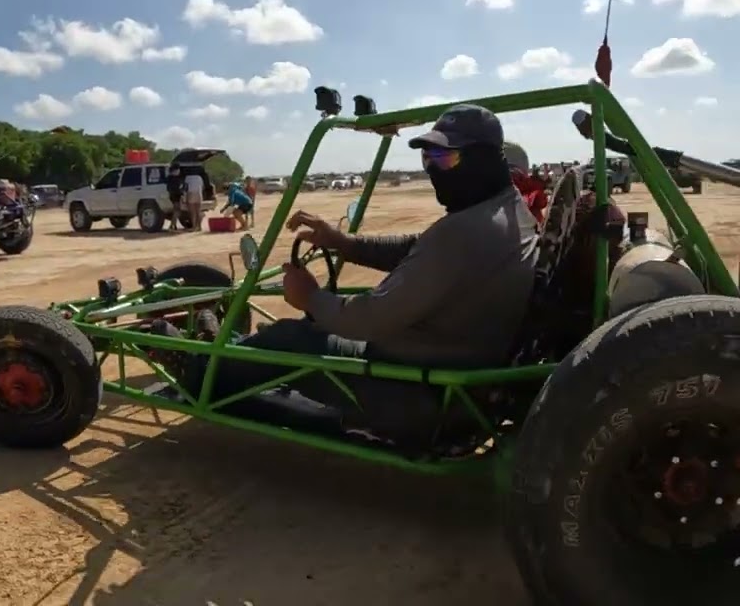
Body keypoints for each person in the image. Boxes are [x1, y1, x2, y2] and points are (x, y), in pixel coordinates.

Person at [152, 104, 539, 447]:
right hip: (437, 373)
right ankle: (227, 346)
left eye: (444, 158)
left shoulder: (466, 233)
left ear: (485, 159)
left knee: (294, 336)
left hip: (411, 394)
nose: (434, 169)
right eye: (428, 159)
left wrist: (310, 298)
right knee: (304, 333)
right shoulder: (506, 213)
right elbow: (417, 247)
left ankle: (198, 368)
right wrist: (344, 242)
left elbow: (370, 319)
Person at [166, 166, 183, 231]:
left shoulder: (169, 178)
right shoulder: (175, 179)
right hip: (176, 196)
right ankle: (172, 225)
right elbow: (177, 188)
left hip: (173, 196)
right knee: (177, 211)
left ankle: (173, 225)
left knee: (176, 211)